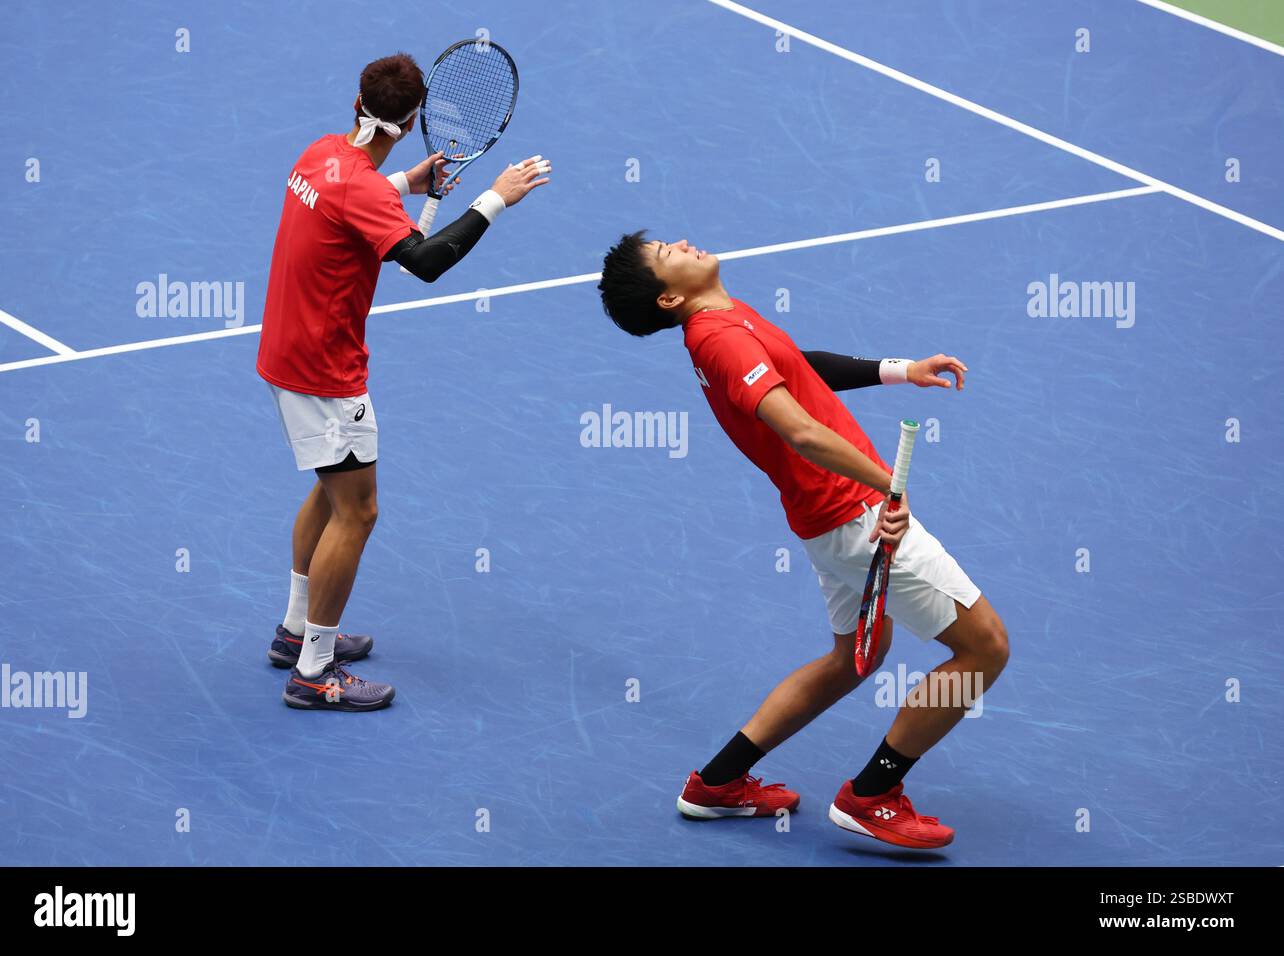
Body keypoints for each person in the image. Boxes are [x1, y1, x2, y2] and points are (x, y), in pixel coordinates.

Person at [597, 233, 1008, 848]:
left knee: (854, 659)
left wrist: (900, 371)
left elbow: (797, 366)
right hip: (856, 514)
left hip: (826, 519)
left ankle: (717, 783)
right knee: (984, 649)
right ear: (669, 297)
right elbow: (801, 432)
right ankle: (873, 795)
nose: (681, 243)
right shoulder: (722, 339)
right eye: (666, 254)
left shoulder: (722, 319)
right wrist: (887, 488)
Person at [256, 52, 550, 711]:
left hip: (285, 352)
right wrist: (495, 200)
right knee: (359, 510)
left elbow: (351, 197)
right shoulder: (362, 188)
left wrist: (407, 183)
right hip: (326, 373)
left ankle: (295, 630)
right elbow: (423, 263)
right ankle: (314, 671)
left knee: (333, 492)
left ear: (358, 102)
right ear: (414, 117)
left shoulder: (321, 154)